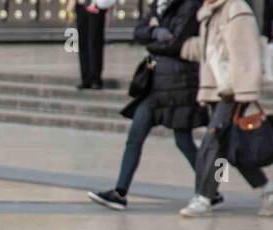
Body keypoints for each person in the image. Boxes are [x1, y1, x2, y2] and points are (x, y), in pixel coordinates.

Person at [89, 0, 208, 210]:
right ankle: (120, 192)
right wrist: (154, 32)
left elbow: (176, 42)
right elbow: (139, 32)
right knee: (136, 134)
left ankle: (210, 191)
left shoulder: (190, 5)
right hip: (156, 84)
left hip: (180, 84)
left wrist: (153, 36)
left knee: (184, 141)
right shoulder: (158, 5)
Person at [178, 0, 273, 216]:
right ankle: (267, 191)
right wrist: (176, 44)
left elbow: (246, 54)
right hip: (216, 90)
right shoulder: (210, 12)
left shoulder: (236, 10)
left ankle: (203, 197)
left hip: (232, 91)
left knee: (211, 142)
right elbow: (206, 50)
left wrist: (244, 92)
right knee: (229, 149)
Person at [74, 0, 117, 89]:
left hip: (95, 5)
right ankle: (85, 78)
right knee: (83, 43)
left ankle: (95, 79)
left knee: (95, 42)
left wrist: (96, 4)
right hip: (81, 6)